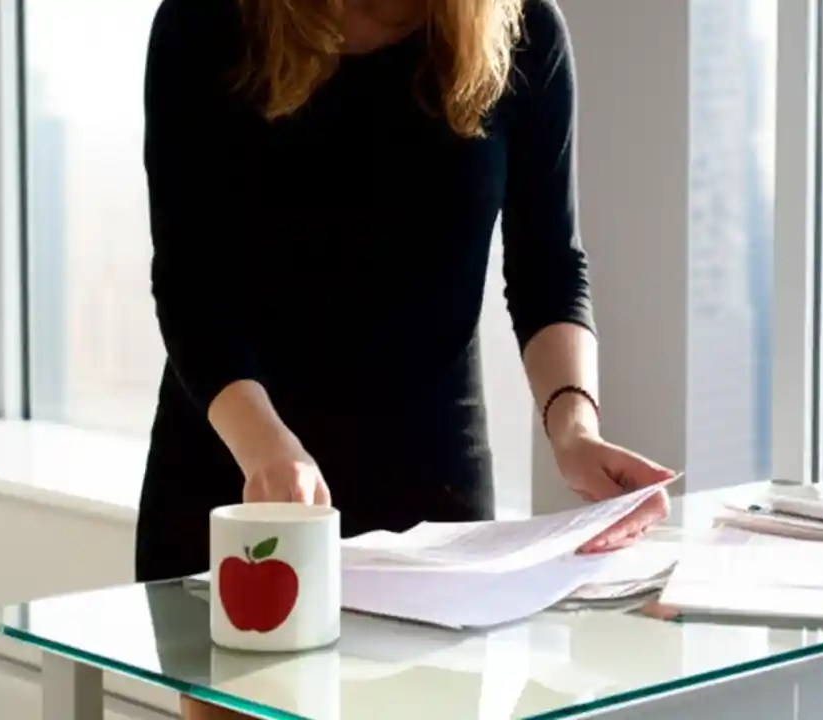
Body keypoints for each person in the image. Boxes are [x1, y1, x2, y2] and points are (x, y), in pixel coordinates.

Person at [136, 0, 674, 715]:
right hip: (246, 480)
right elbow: (189, 282)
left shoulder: (524, 29)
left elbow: (548, 266)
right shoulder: (210, 21)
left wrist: (572, 429)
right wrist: (267, 447)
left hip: (433, 504)